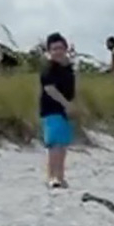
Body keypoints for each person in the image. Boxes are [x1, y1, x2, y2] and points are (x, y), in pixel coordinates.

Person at [39, 32, 77, 189]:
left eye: (60, 48)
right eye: (54, 49)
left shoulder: (68, 68)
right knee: (54, 145)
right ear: (49, 51)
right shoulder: (49, 69)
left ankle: (60, 176)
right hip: (52, 109)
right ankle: (52, 177)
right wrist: (66, 104)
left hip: (64, 111)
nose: (58, 51)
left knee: (62, 145)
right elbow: (49, 89)